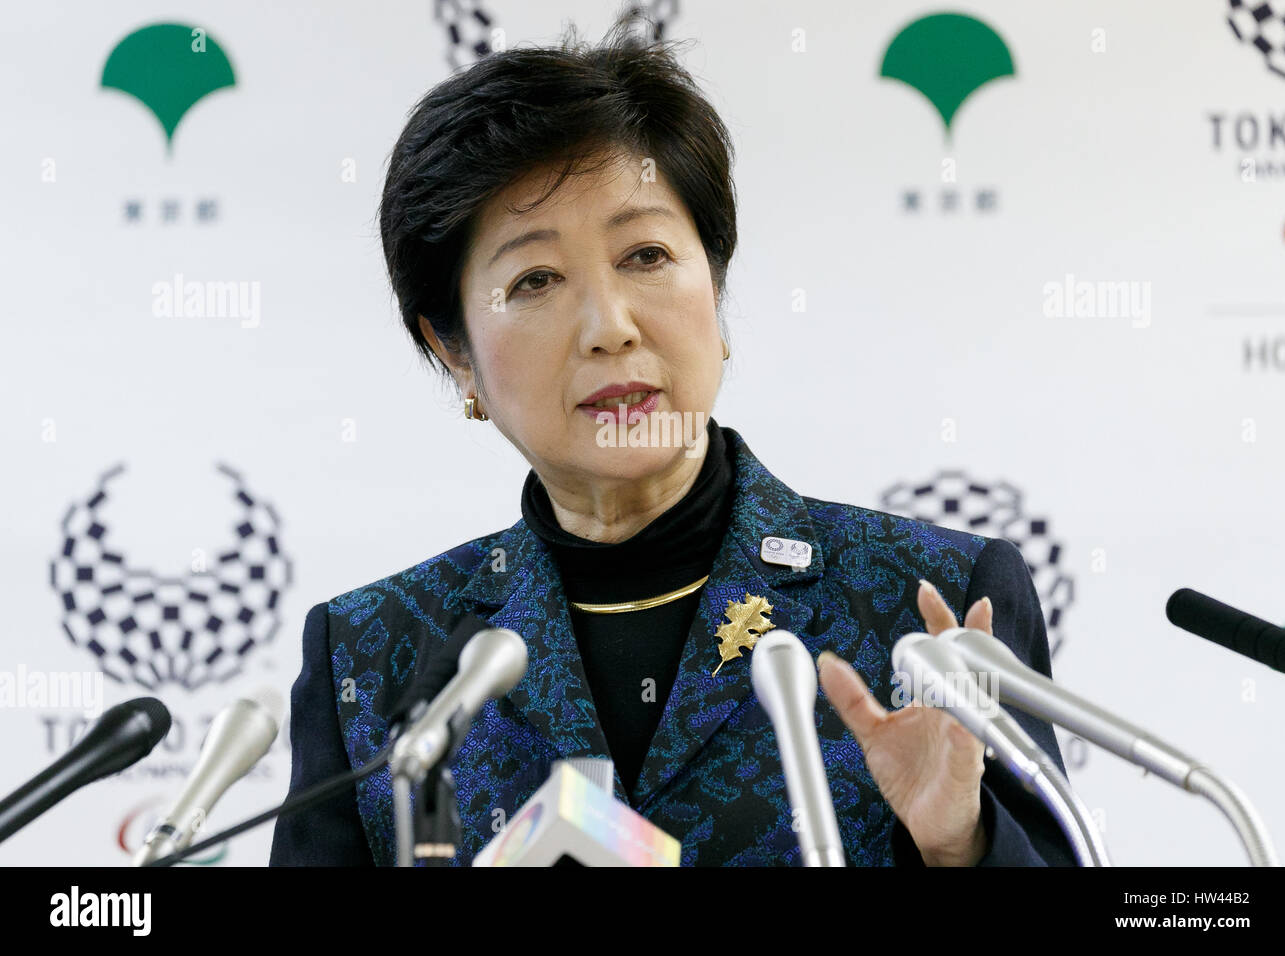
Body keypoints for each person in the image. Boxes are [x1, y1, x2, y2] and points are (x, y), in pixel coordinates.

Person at [269, 16, 1076, 867]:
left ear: (716, 290)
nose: (609, 326)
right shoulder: (377, 656)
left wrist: (961, 846)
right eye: (535, 279)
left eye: (646, 255)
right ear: (454, 352)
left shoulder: (924, 605)